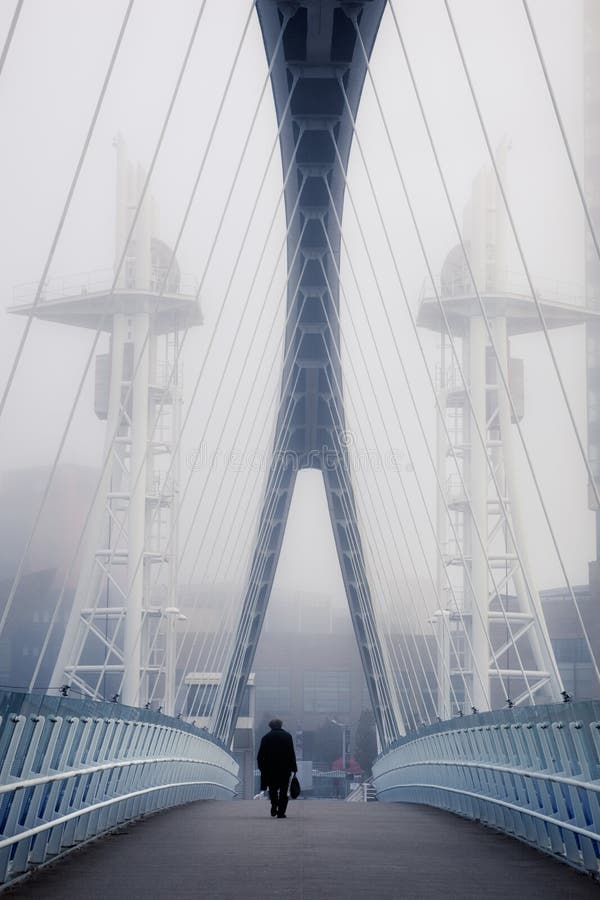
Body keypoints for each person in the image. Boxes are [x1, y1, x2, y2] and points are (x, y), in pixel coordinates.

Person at [257, 718, 297, 819]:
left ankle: (274, 805)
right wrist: (294, 768)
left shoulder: (266, 737)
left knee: (273, 789)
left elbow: (260, 755)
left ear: (270, 726)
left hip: (270, 769)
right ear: (281, 725)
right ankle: (281, 812)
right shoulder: (288, 736)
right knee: (284, 791)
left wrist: (262, 768)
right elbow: (291, 753)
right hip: (285, 769)